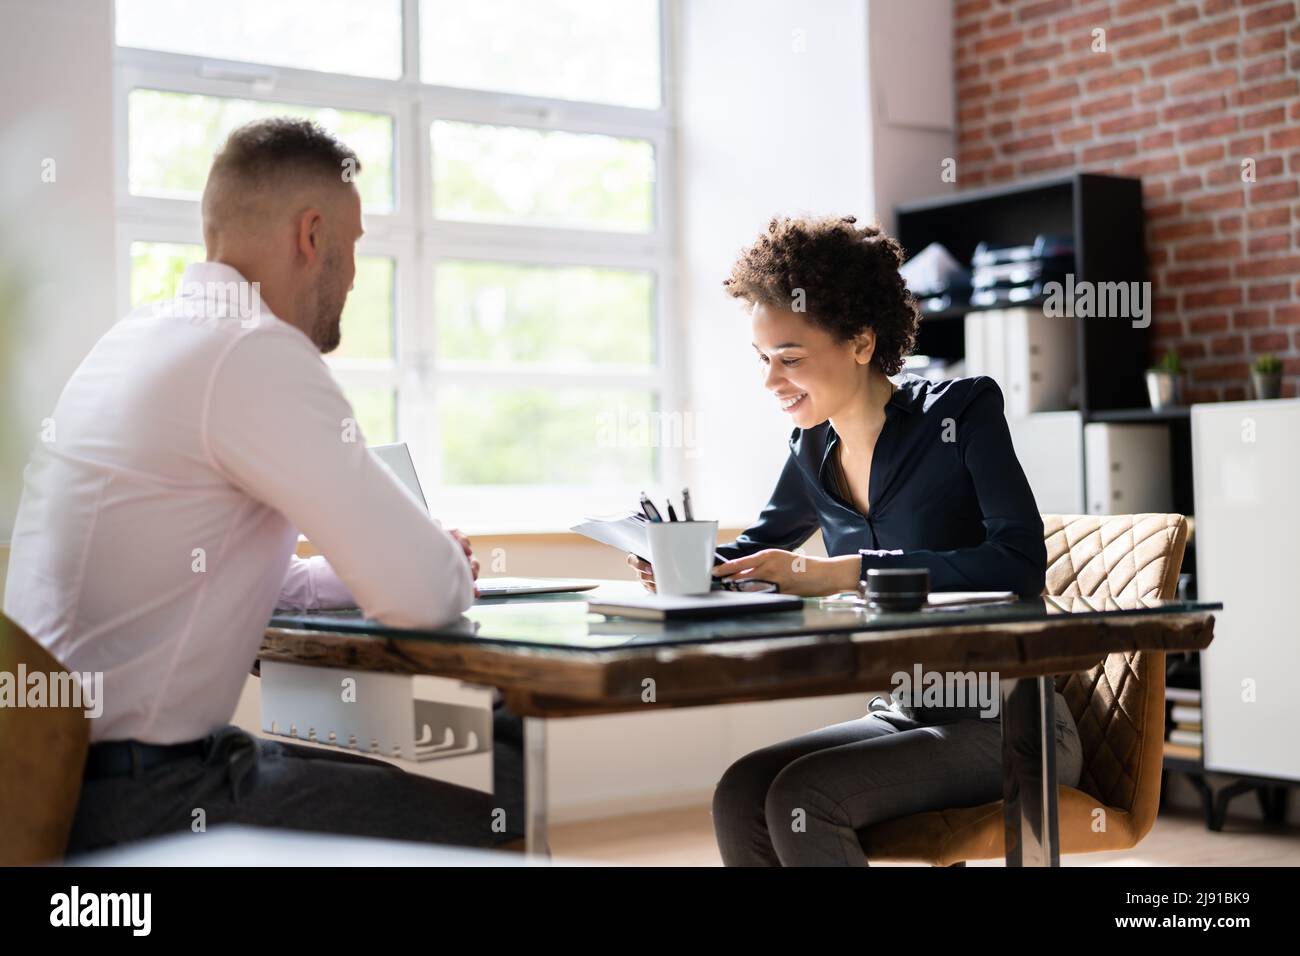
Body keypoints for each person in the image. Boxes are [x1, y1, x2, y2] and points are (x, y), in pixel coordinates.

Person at [4, 118, 522, 854]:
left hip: (56, 781)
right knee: (504, 778)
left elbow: (221, 574)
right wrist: (430, 556)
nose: (350, 277)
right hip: (144, 802)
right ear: (312, 236)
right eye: (354, 248)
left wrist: (362, 571)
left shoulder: (134, 340)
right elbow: (425, 594)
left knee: (409, 749)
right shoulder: (254, 349)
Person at [628, 215, 1082, 866]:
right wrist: (677, 561)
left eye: (789, 358)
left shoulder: (961, 412)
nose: (770, 382)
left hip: (1010, 723)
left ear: (863, 342)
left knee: (803, 797)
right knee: (741, 791)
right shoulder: (812, 449)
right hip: (907, 711)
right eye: (763, 360)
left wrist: (849, 571)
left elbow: (1019, 563)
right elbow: (757, 551)